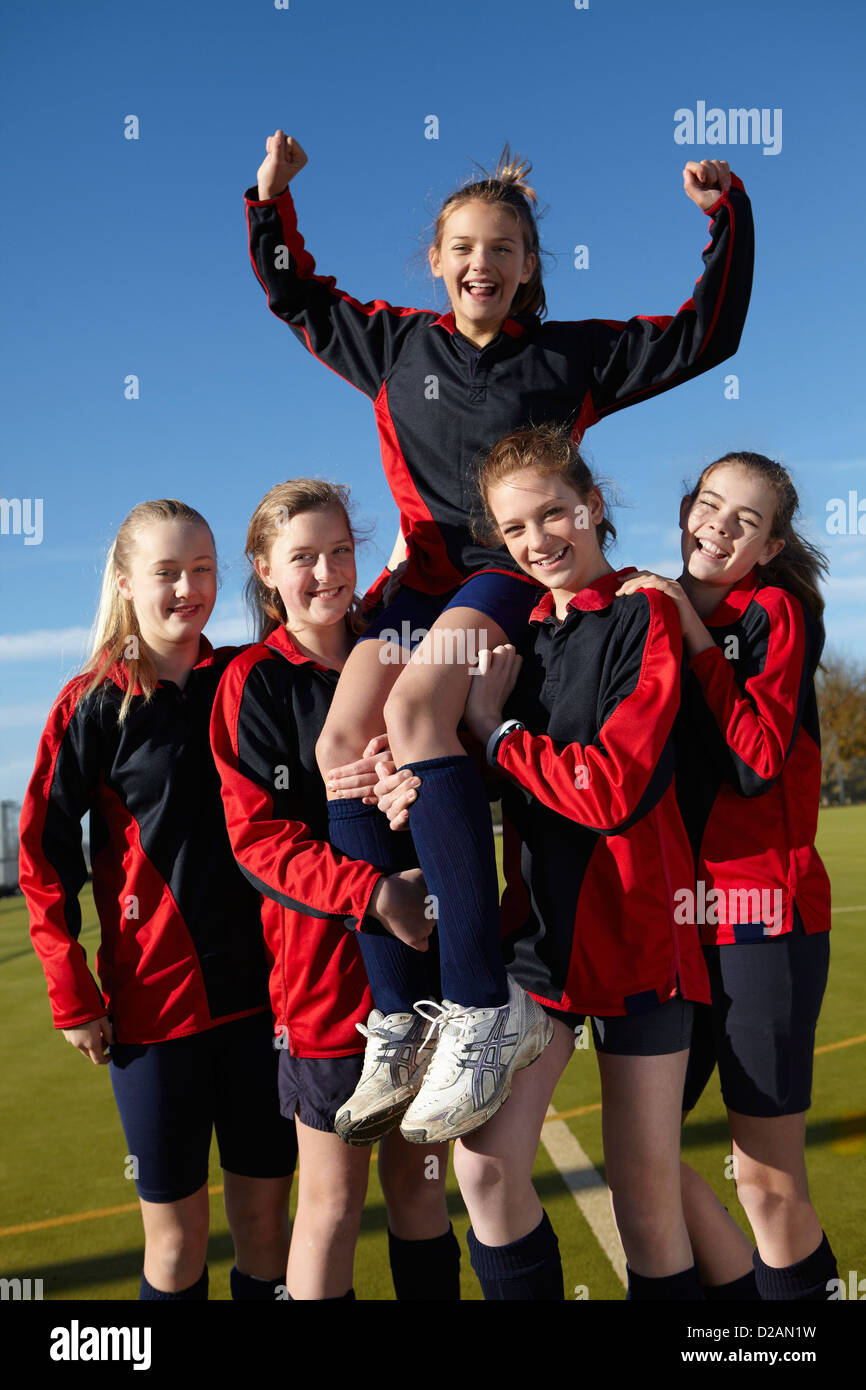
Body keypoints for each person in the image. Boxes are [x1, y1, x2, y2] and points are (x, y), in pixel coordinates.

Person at [245, 133, 753, 1144]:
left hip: (494, 578)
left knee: (414, 710)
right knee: (342, 744)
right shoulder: (392, 344)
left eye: (504, 247)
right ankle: (395, 1014)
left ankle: (477, 1004)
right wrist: (270, 201)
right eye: (463, 246)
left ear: (528, 267)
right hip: (413, 580)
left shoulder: (570, 356)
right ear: (436, 262)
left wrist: (724, 213)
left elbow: (707, 334)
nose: (482, 262)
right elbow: (296, 294)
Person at [383, 424, 711, 1299]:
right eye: (516, 529)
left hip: (642, 932)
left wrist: (499, 731)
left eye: (554, 514)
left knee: (645, 1201)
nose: (538, 541)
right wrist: (392, 783)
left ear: (593, 506)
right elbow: (451, 767)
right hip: (538, 941)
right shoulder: (516, 631)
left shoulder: (643, 612)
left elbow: (611, 791)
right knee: (485, 1173)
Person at [19, 499, 296, 1301]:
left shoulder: (249, 679)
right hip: (156, 1015)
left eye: (203, 570)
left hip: (263, 1005)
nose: (188, 589)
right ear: (126, 582)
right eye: (167, 572)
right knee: (175, 1251)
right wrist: (71, 991)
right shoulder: (91, 704)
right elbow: (42, 851)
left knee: (265, 1231)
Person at [209, 478, 460, 1300]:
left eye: (341, 550)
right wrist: (372, 892)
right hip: (325, 982)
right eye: (303, 558)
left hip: (430, 966)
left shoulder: (398, 647)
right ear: (265, 570)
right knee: (332, 1203)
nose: (327, 572)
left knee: (425, 1191)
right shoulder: (253, 680)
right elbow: (259, 841)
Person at [615, 451, 838, 1301]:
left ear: (770, 544)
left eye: (744, 520)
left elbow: (754, 762)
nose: (718, 526)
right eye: (709, 505)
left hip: (760, 917)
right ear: (684, 510)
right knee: (645, 1161)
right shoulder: (639, 609)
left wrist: (695, 634)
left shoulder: (775, 611)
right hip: (671, 923)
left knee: (765, 1180)